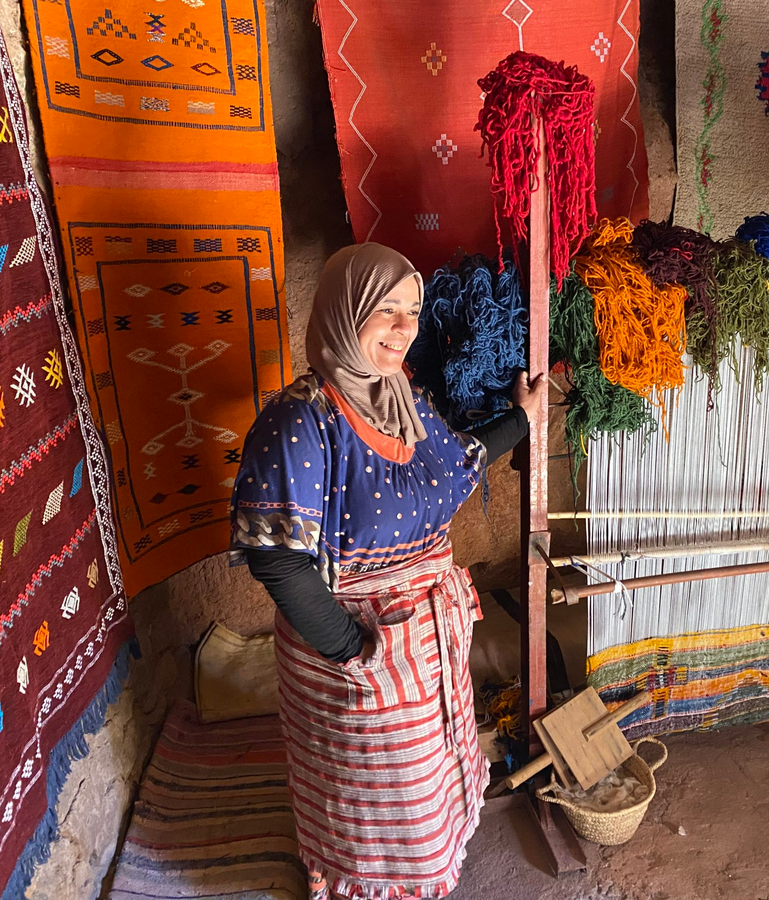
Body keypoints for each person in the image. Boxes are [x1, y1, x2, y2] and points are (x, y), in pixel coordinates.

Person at [230, 242, 546, 899]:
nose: (404, 328)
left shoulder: (405, 402)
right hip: (357, 649)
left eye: (413, 311)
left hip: (425, 642)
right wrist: (354, 652)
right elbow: (277, 558)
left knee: (428, 784)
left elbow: (459, 463)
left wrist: (523, 418)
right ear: (344, 312)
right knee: (378, 803)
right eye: (386, 310)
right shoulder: (301, 420)